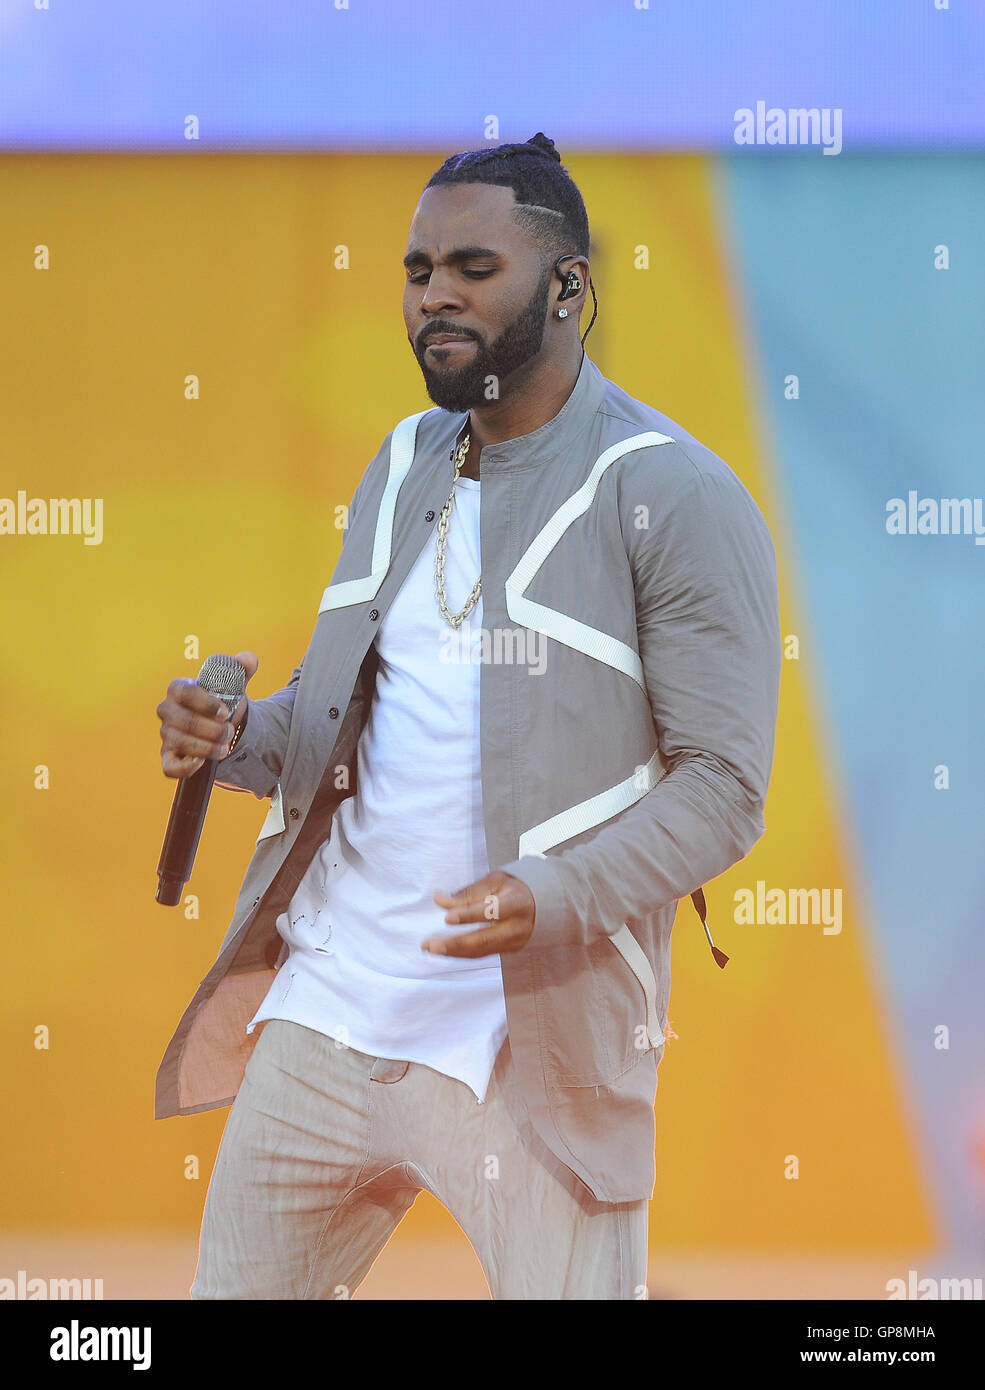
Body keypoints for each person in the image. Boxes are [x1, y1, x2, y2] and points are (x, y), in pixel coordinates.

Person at [154, 132, 781, 1300]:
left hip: (525, 1045)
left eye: (471, 267)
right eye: (416, 268)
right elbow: (351, 729)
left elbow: (723, 788)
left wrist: (549, 895)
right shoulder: (402, 463)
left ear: (566, 285)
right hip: (327, 1010)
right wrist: (238, 739)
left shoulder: (673, 493)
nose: (434, 293)